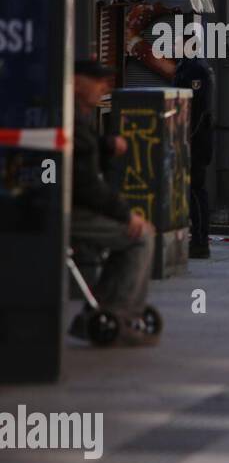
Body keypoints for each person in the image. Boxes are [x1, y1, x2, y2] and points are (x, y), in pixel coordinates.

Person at [69, 60, 158, 346]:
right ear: (77, 81)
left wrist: (105, 144)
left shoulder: (72, 114)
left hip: (64, 205)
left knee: (137, 234)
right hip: (69, 211)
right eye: (98, 81)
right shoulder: (69, 115)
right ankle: (119, 314)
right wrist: (125, 215)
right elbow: (87, 186)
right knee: (139, 236)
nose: (104, 87)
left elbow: (84, 149)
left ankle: (102, 309)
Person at [173, 54, 213, 259]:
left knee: (195, 189)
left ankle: (199, 241)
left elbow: (197, 109)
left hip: (195, 142)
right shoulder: (187, 67)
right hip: (194, 139)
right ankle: (196, 239)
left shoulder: (194, 70)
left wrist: (186, 137)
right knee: (191, 190)